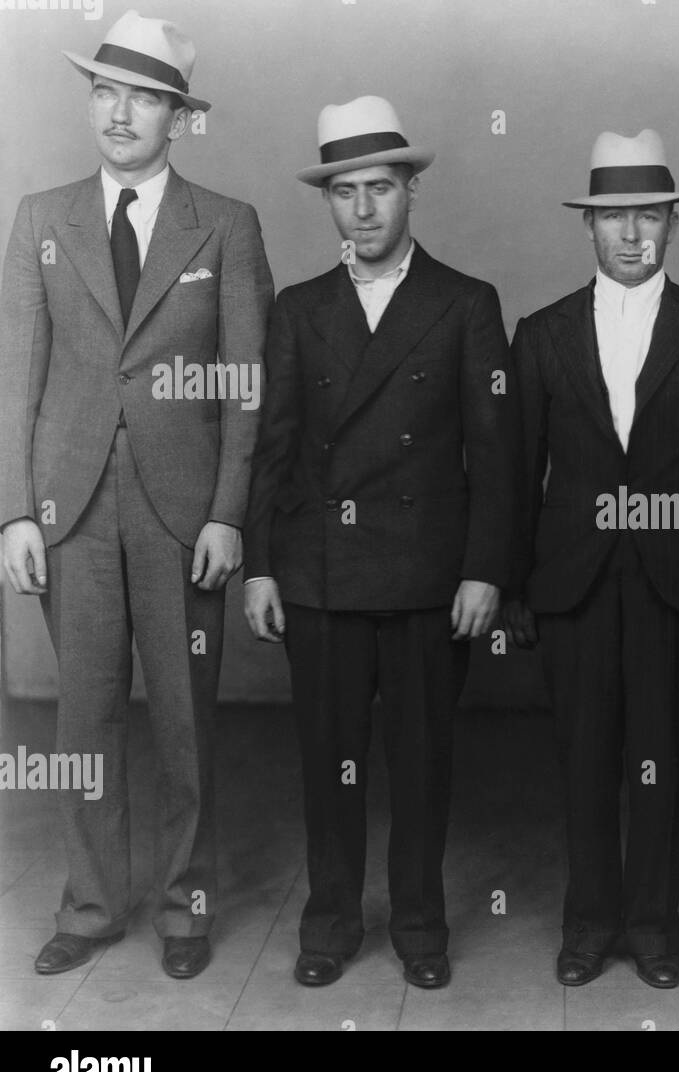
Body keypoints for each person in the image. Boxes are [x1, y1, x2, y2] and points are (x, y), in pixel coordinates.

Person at [0, 10, 273, 980]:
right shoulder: (41, 217)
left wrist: (228, 511)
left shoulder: (227, 224)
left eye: (145, 97)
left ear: (177, 116)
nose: (121, 113)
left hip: (180, 512)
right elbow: (15, 377)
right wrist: (14, 512)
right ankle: (89, 904)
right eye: (106, 91)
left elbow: (246, 383)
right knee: (83, 722)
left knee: (185, 723)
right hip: (67, 514)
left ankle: (185, 905)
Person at [243, 95, 519, 989]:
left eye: (381, 189)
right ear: (329, 202)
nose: (364, 210)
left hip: (427, 579)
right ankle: (328, 926)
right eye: (346, 192)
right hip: (321, 575)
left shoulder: (467, 303)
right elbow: (271, 449)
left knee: (424, 765)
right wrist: (258, 566)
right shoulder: (297, 309)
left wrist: (485, 570)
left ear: (411, 193)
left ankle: (420, 926)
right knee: (330, 767)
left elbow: (495, 453)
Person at [503, 129, 679, 989]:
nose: (630, 233)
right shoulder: (539, 334)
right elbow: (515, 474)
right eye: (613, 216)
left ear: (671, 225)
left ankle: (655, 926)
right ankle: (588, 926)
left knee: (664, 758)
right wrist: (513, 590)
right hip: (572, 581)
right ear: (588, 226)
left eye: (647, 214)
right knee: (584, 763)